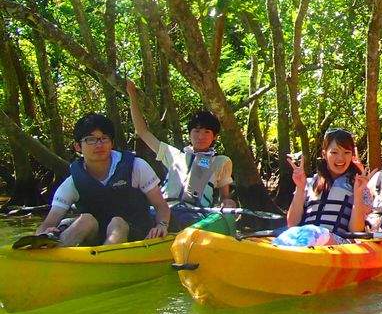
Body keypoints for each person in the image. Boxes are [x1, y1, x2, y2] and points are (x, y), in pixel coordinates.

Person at [35, 113, 171, 246]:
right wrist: (44, 233)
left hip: (133, 233)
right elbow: (49, 222)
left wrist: (161, 225)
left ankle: (106, 263)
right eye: (90, 139)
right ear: (77, 146)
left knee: (117, 223)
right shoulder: (73, 183)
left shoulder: (137, 167)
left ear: (111, 143)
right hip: (95, 237)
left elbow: (161, 206)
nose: (99, 145)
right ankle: (54, 257)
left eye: (104, 138)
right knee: (85, 220)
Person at [127, 80, 236, 229]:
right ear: (189, 133)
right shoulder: (173, 154)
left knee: (182, 221)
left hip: (194, 215)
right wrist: (132, 95)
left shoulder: (221, 162)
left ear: (214, 136)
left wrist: (228, 203)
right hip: (164, 210)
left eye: (207, 132)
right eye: (196, 131)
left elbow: (225, 197)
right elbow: (142, 132)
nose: (201, 136)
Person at [279, 128, 371, 247]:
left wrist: (358, 194)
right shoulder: (309, 182)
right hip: (305, 237)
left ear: (352, 155)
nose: (341, 158)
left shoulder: (360, 185)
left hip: (339, 242)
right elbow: (292, 224)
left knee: (310, 234)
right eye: (334, 152)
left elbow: (356, 230)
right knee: (286, 237)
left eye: (346, 152)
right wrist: (300, 188)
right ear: (324, 154)